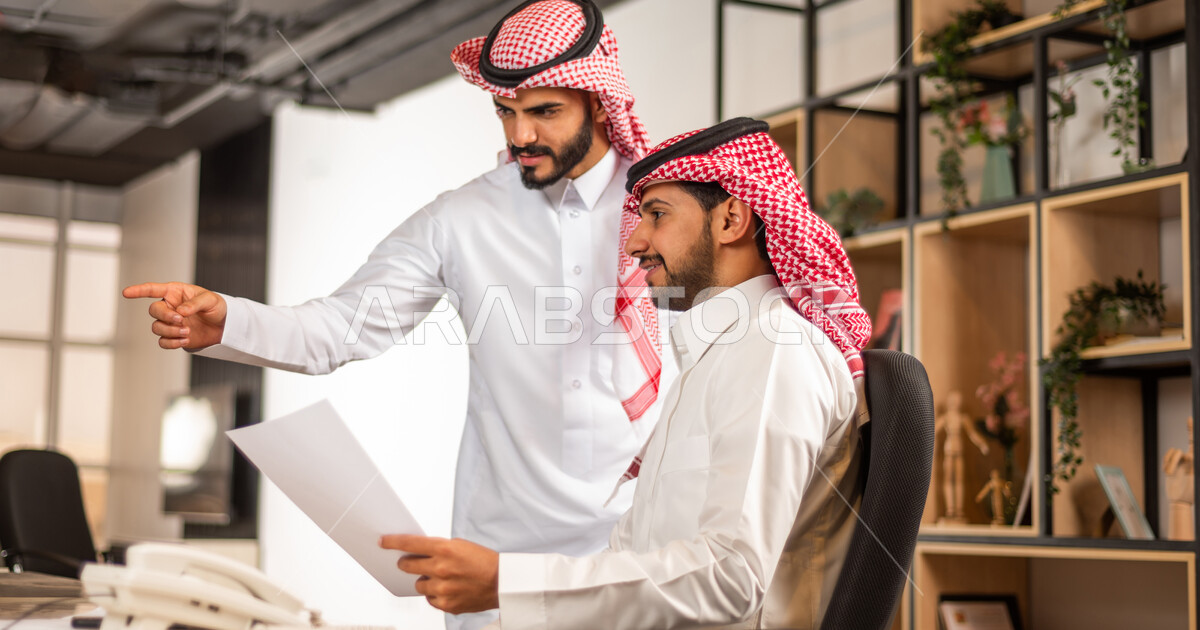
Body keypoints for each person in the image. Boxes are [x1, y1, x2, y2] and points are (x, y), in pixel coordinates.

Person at [121, 2, 674, 628]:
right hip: (495, 567)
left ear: (599, 103)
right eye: (506, 112)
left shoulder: (669, 208)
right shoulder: (460, 219)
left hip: (637, 560)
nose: (520, 136)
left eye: (544, 112)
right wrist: (228, 322)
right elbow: (341, 327)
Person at [380, 117, 874, 629]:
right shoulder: (718, 356)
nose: (634, 243)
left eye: (657, 215)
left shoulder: (773, 354)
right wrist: (509, 599)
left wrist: (507, 582)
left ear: (731, 220)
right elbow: (632, 557)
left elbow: (732, 577)